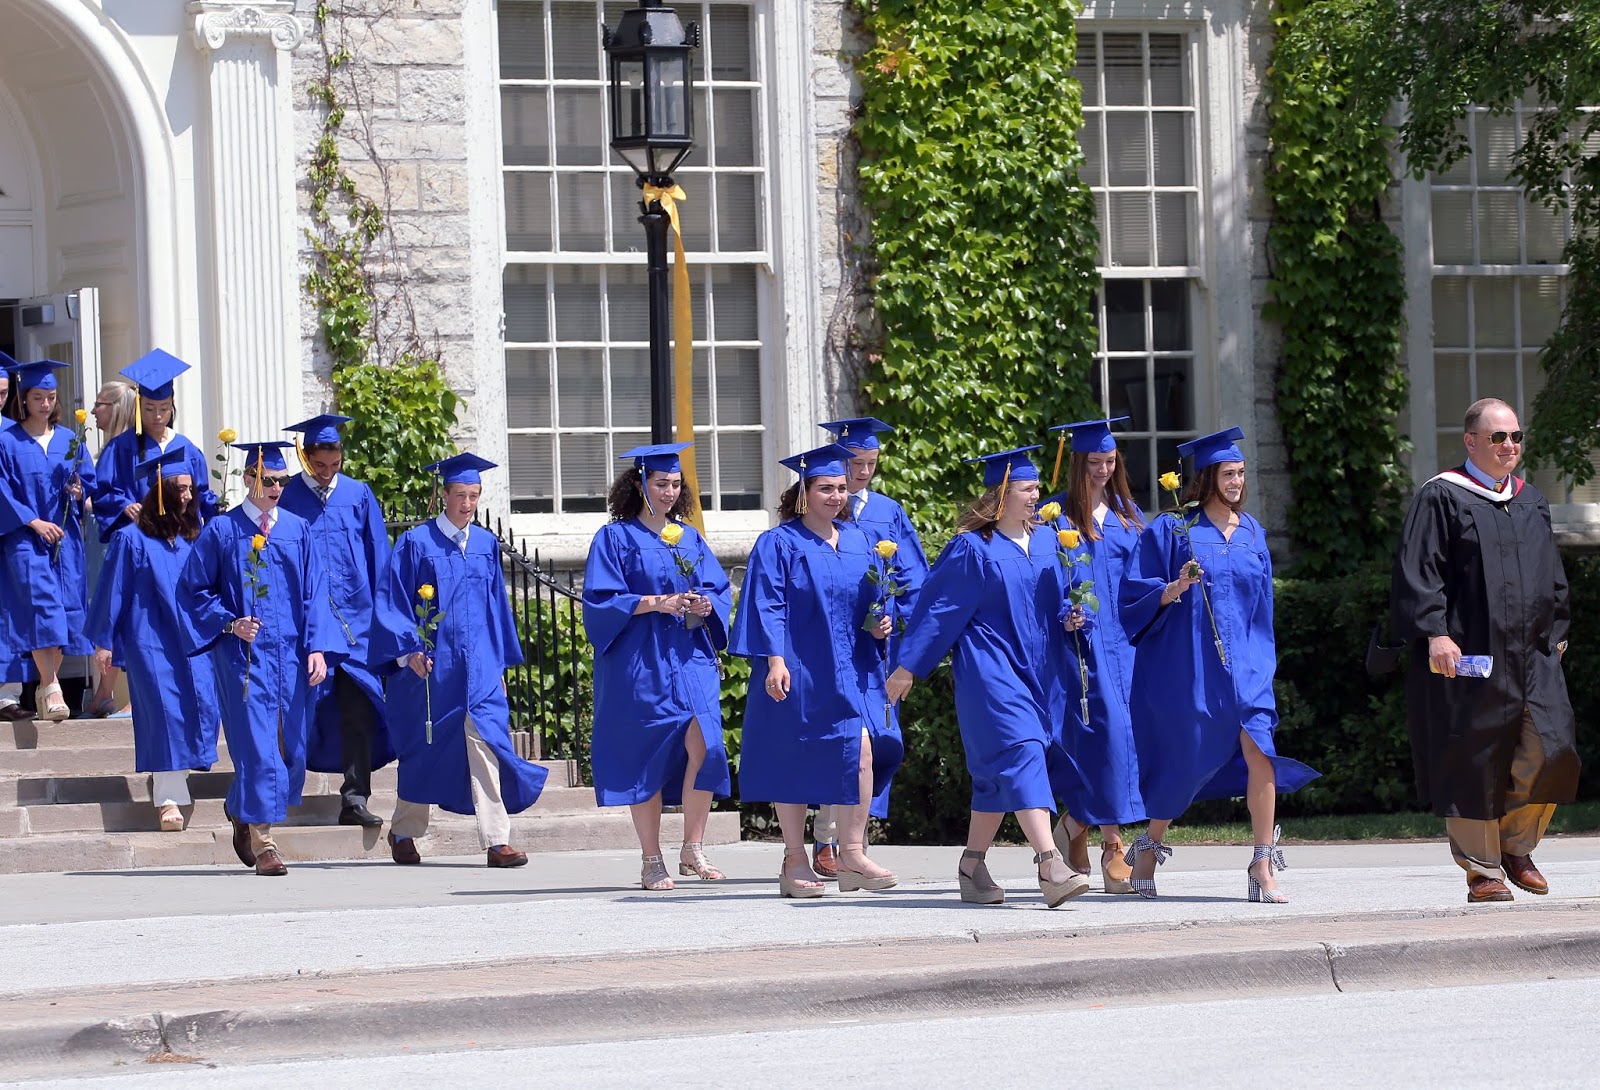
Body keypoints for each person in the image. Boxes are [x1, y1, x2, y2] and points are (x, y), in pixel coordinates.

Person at [1389, 398, 1580, 904]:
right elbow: (1419, 570)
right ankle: (1482, 870)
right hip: (1471, 652)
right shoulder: (1443, 496)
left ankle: (1515, 844)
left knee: (1553, 747)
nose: (1509, 445)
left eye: (1516, 436)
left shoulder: (1530, 499)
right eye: (1498, 437)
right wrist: (1435, 632)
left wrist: (1557, 635)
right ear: (1471, 441)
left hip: (1534, 654)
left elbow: (1553, 576)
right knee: (1472, 755)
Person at [1119, 427, 1319, 902]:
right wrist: (1174, 587)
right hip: (1194, 666)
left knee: (1260, 752)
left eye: (1241, 473)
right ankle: (1150, 842)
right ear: (1208, 477)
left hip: (1247, 666)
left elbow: (1262, 606)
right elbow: (1134, 595)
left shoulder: (1252, 532)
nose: (1237, 482)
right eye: (1228, 474)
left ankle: (1262, 863)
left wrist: (1262, 660)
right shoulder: (1173, 529)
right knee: (1187, 758)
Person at [887, 446, 1092, 908]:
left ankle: (971, 865)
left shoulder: (1050, 541)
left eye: (1037, 487)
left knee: (994, 778)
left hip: (1042, 670)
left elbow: (1066, 598)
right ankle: (1050, 863)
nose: (1036, 496)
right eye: (1026, 489)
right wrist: (907, 666)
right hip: (991, 668)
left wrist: (1076, 617)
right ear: (1001, 494)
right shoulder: (973, 547)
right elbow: (940, 610)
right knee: (1023, 751)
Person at [730, 442, 901, 898]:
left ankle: (852, 854)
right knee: (794, 754)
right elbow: (767, 604)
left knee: (862, 749)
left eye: (841, 488)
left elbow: (873, 602)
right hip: (800, 667)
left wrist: (881, 623)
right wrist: (775, 660)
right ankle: (793, 860)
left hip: (854, 667)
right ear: (804, 492)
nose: (836, 496)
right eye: (826, 488)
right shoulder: (779, 543)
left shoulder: (860, 542)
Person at [371, 452, 548, 868]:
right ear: (443, 495)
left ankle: (497, 840)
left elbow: (496, 608)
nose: (468, 504)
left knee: (487, 741)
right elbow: (394, 603)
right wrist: (408, 653)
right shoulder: (416, 543)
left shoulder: (485, 545)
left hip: (480, 667)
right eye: (460, 495)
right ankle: (404, 830)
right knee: (425, 748)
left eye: (474, 495)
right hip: (433, 668)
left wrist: (499, 664)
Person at [176, 440, 342, 876]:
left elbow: (315, 594)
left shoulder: (296, 530)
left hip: (292, 656)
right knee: (258, 747)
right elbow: (193, 590)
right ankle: (265, 843)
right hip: (243, 659)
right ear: (249, 478)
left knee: (291, 751)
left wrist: (318, 647)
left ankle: (239, 807)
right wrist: (229, 622)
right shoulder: (222, 530)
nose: (276, 488)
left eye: (282, 481)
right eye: (268, 480)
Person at [583, 442, 733, 890]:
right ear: (638, 485)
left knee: (707, 744)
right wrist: (655, 602)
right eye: (661, 483)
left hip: (689, 657)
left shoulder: (688, 537)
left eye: (675, 484)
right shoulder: (614, 538)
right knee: (645, 753)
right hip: (640, 662)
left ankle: (692, 847)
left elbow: (717, 587)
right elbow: (600, 602)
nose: (670, 492)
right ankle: (651, 858)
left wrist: (706, 603)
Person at [807, 416, 929, 877]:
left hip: (879, 648)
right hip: (830, 646)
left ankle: (847, 839)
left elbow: (913, 580)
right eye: (854, 463)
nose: (862, 473)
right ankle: (827, 838)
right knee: (838, 738)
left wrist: (910, 651)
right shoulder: (814, 515)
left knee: (876, 742)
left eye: (871, 463)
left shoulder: (887, 511)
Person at [85, 448, 219, 831]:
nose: (188, 496)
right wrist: (104, 641)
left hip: (194, 641)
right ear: (161, 492)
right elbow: (113, 590)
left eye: (191, 489)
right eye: (181, 489)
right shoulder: (131, 539)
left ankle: (176, 777)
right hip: (151, 639)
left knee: (201, 706)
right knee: (163, 711)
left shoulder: (195, 538)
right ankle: (169, 798)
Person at [1040, 417, 1146, 895]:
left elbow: (1142, 579)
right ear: (1078, 463)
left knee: (1126, 738)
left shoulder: (1128, 515)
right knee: (1105, 738)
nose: (1103, 470)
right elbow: (1041, 585)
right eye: (1094, 462)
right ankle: (1113, 847)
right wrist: (1064, 615)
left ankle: (1075, 823)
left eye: (1109, 461)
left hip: (1127, 644)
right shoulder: (1054, 515)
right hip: (1080, 647)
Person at [279, 414, 395, 828]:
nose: (327, 473)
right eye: (319, 465)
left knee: (358, 708)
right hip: (307, 625)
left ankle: (355, 798)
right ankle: (279, 794)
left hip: (356, 625)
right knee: (299, 710)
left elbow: (379, 557)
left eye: (334, 464)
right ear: (305, 458)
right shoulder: (287, 496)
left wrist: (385, 620)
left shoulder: (358, 494)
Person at [0, 360, 96, 723]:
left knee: (65, 608)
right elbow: (2, 490)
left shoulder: (71, 440)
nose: (45, 404)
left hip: (64, 538)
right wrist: (34, 521)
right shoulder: (6, 441)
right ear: (24, 399)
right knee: (42, 604)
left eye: (51, 397)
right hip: (24, 538)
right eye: (38, 397)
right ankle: (52, 686)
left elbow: (87, 485)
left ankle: (44, 686)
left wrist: (80, 492)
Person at [93, 349, 217, 542]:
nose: (157, 416)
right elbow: (101, 490)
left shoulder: (188, 449)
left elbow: (200, 494)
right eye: (149, 408)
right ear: (139, 404)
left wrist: (219, 508)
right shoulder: (121, 447)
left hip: (182, 540)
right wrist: (123, 505)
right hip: (140, 538)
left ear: (172, 405)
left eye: (164, 408)